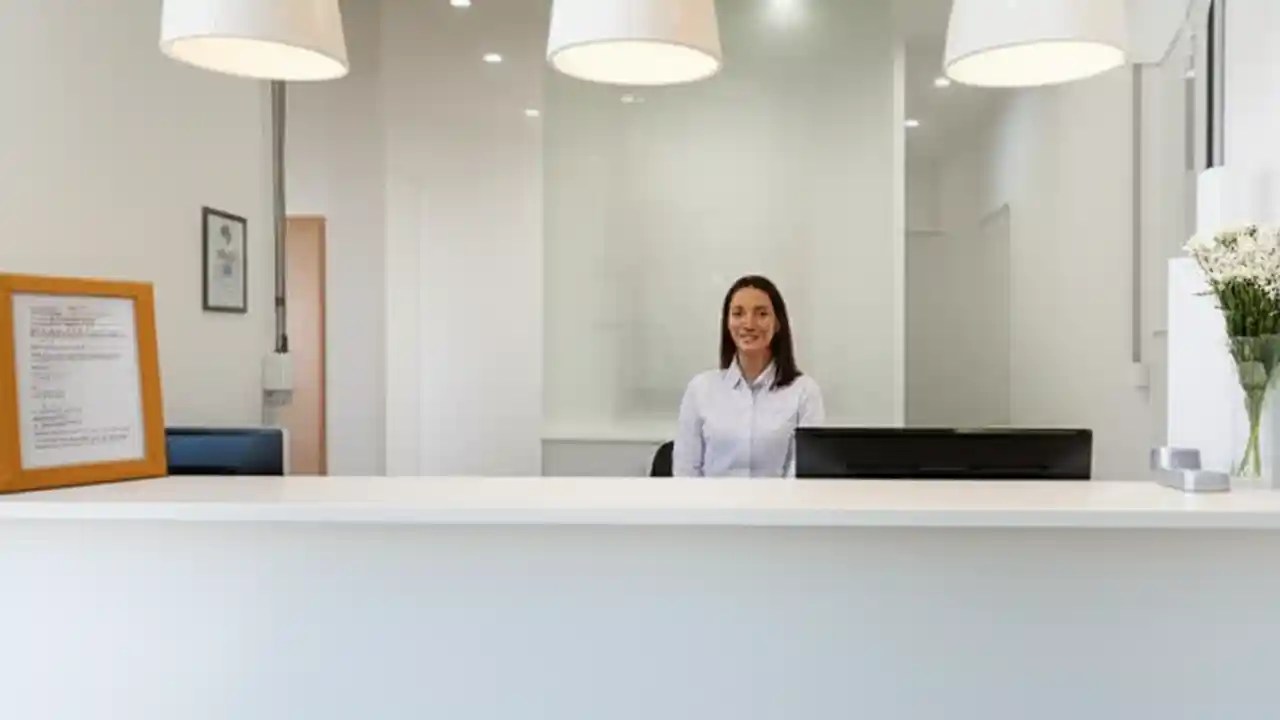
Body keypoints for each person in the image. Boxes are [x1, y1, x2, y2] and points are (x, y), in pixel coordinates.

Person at [673, 275, 824, 477]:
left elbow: (801, 477)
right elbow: (685, 472)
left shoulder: (804, 391)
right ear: (727, 323)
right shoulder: (700, 389)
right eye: (738, 313)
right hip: (712, 508)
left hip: (779, 507)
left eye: (761, 314)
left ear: (778, 323)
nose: (749, 324)